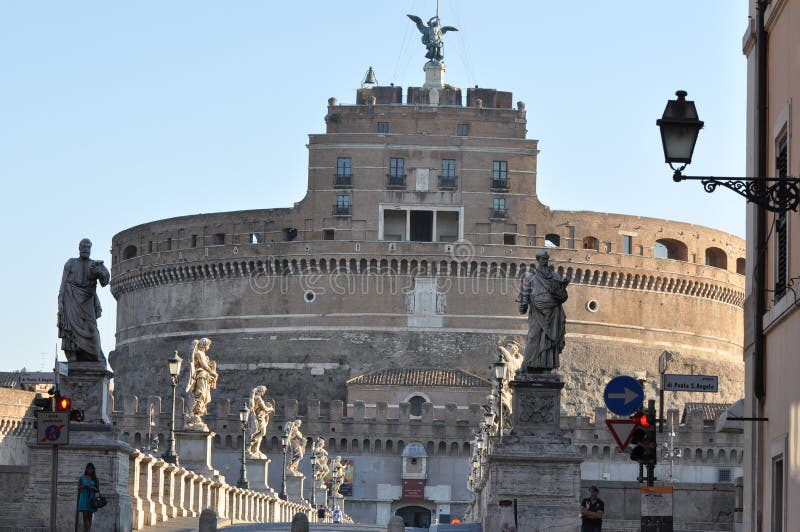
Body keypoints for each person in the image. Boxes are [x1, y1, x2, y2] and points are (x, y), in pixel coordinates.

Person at [58, 239, 110, 363]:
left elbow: (105, 282)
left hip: (87, 301)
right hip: (71, 298)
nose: (86, 249)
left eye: (88, 247)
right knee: (70, 329)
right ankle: (73, 356)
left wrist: (100, 273)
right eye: (84, 246)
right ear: (79, 248)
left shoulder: (95, 264)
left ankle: (96, 356)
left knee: (92, 329)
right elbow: (63, 283)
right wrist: (60, 300)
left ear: (90, 249)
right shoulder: (70, 263)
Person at [518, 250, 569, 371]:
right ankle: (528, 364)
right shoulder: (530, 276)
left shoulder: (555, 276)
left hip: (553, 311)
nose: (545, 261)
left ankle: (546, 367)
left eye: (546, 259)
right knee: (533, 336)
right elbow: (524, 293)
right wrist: (523, 305)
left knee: (550, 338)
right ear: (538, 260)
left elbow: (563, 296)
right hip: (537, 310)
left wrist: (561, 290)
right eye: (542, 259)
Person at [185, 338, 218, 430]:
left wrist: (212, 367)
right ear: (204, 345)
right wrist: (212, 372)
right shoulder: (199, 353)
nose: (209, 347)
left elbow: (206, 365)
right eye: (208, 345)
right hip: (201, 376)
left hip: (205, 377)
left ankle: (197, 413)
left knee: (205, 396)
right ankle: (194, 412)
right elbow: (203, 365)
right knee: (200, 394)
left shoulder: (203, 354)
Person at [247, 385, 274, 458]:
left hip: (259, 418)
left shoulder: (255, 397)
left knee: (260, 433)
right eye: (264, 391)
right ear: (261, 391)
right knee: (262, 432)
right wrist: (271, 409)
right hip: (259, 418)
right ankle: (251, 443)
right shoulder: (258, 398)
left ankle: (255, 449)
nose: (263, 393)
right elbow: (265, 408)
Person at [77, 462, 100, 532]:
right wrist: (84, 486)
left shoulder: (95, 479)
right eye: (89, 469)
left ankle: (88, 530)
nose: (90, 470)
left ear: (93, 470)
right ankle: (85, 530)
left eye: (91, 469)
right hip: (84, 498)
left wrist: (93, 488)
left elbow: (98, 490)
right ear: (86, 469)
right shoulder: (82, 478)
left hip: (92, 499)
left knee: (90, 516)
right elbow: (79, 488)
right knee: (85, 516)